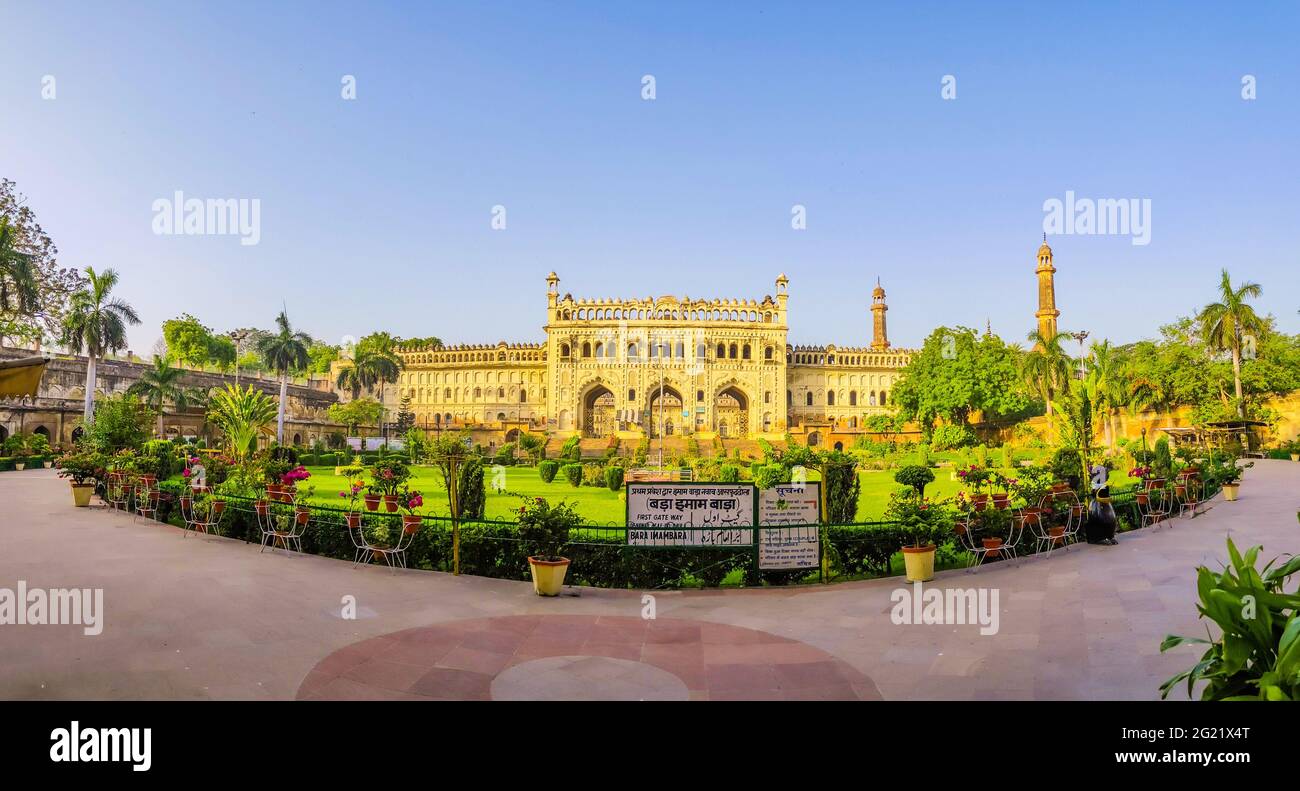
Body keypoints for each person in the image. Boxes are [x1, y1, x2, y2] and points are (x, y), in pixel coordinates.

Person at [1085, 462, 1119, 545]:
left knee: (1109, 519)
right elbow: (1095, 494)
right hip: (1097, 505)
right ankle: (1100, 537)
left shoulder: (1104, 486)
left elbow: (1106, 493)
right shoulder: (1095, 486)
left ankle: (1110, 536)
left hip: (1105, 504)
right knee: (1099, 519)